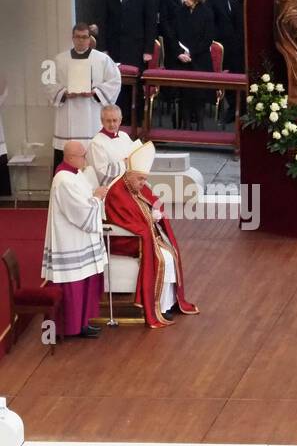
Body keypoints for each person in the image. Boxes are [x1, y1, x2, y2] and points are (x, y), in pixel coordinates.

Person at [103, 163, 199, 328]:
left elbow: (148, 203)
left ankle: (167, 304)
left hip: (142, 235)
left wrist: (155, 213)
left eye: (145, 179)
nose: (143, 183)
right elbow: (124, 222)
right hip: (125, 241)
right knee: (164, 258)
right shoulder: (117, 192)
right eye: (140, 179)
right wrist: (150, 220)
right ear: (129, 174)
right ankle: (158, 307)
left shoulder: (134, 185)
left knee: (171, 254)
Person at [42, 141, 108, 340]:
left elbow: (84, 200)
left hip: (81, 241)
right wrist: (96, 198)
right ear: (70, 157)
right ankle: (68, 328)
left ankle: (83, 323)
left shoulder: (76, 174)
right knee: (73, 286)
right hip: (69, 241)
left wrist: (94, 197)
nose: (85, 158)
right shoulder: (63, 179)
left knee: (86, 282)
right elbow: (80, 212)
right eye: (82, 155)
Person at [46, 24, 123, 175]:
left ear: (90, 39)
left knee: (92, 156)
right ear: (72, 38)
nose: (81, 41)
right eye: (77, 37)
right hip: (67, 115)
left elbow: (115, 81)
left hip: (92, 115)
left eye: (84, 37)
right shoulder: (59, 60)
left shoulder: (103, 60)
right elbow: (49, 84)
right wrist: (63, 93)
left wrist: (95, 92)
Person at [103, 0, 158, 117]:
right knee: (115, 84)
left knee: (135, 85)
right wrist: (104, 47)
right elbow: (104, 19)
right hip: (114, 47)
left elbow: (150, 21)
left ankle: (137, 121)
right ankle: (117, 120)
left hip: (137, 47)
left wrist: (148, 49)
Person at [168, 0, 215, 130]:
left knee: (199, 95)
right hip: (182, 60)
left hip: (200, 59)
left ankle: (200, 127)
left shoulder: (207, 12)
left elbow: (207, 39)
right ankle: (186, 125)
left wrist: (191, 52)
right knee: (185, 94)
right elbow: (172, 35)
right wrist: (179, 53)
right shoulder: (179, 12)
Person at [87, 105, 134, 187]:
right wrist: (124, 164)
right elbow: (101, 173)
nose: (112, 124)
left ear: (120, 120)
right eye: (108, 121)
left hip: (130, 183)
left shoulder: (124, 136)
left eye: (115, 120)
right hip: (112, 188)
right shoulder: (96, 143)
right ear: (102, 121)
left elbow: (134, 155)